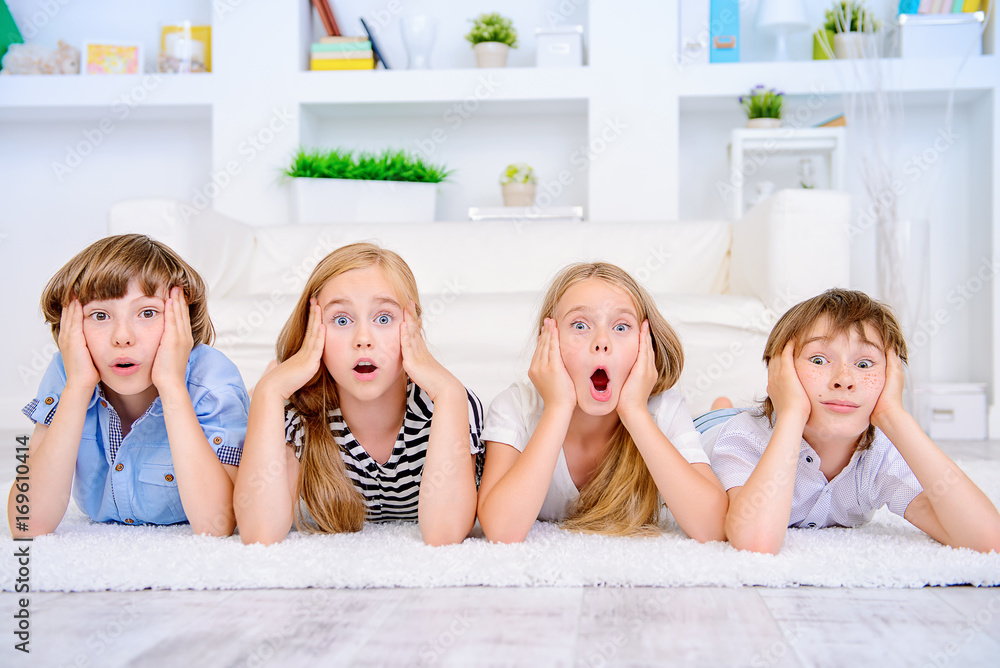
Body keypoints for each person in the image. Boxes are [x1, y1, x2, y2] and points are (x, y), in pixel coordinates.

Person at [708, 288, 1000, 554]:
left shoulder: (880, 457)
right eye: (819, 360)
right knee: (722, 413)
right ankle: (721, 406)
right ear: (779, 372)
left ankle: (724, 403)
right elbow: (755, 542)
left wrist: (894, 415)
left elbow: (989, 540)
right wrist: (792, 414)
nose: (844, 379)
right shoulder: (743, 437)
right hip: (715, 427)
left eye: (864, 364)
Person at [234, 243, 483, 546]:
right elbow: (259, 533)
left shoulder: (451, 404)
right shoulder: (296, 414)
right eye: (342, 320)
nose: (363, 339)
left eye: (384, 318)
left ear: (414, 326)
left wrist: (449, 392)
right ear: (312, 330)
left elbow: (444, 535)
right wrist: (269, 390)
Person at [9, 234, 249, 537]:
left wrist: (172, 386)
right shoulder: (67, 373)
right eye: (100, 315)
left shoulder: (211, 378)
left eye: (147, 313)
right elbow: (27, 524)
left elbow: (218, 524)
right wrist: (78, 388)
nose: (122, 337)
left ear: (183, 322)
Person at [476, 262, 728, 543]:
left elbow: (713, 527)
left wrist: (634, 412)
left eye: (621, 326)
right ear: (548, 341)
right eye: (580, 325)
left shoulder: (663, 409)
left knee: (718, 424)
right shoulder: (516, 407)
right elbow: (501, 530)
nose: (602, 342)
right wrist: (558, 407)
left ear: (646, 344)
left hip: (708, 428)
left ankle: (720, 409)